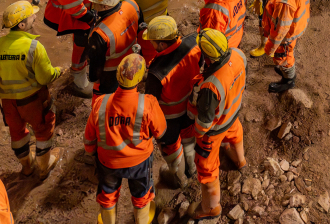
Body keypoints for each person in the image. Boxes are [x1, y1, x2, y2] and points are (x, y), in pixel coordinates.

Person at [0, 0, 62, 178]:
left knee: (17, 134)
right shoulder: (34, 47)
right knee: (43, 131)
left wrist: (5, 86)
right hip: (33, 101)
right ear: (22, 25)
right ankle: (43, 168)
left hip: (8, 104)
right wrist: (58, 72)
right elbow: (45, 77)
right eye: (32, 16)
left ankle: (27, 167)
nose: (35, 17)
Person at [84, 55, 164, 224]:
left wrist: (92, 155)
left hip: (108, 163)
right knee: (142, 195)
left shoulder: (100, 103)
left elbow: (89, 138)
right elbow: (161, 132)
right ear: (141, 77)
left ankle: (108, 221)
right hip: (140, 163)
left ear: (117, 75)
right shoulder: (147, 103)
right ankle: (142, 221)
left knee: (107, 195)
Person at [191, 30, 246, 221]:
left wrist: (196, 134)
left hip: (214, 131)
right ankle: (240, 161)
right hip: (232, 115)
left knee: (206, 170)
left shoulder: (210, 86)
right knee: (236, 135)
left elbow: (204, 123)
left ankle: (211, 207)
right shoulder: (238, 55)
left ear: (207, 56)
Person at [142, 16, 200, 189]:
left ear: (161, 44)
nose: (150, 44)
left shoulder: (156, 71)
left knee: (172, 148)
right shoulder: (193, 43)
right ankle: (193, 168)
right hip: (190, 109)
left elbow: (150, 104)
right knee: (189, 139)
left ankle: (178, 177)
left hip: (169, 119)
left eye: (152, 41)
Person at [259, 0, 309, 93]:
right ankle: (287, 72)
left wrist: (270, 48)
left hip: (287, 35)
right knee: (285, 54)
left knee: (284, 57)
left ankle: (288, 80)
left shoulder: (285, 2)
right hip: (298, 24)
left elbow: (280, 30)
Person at [85, 0, 140, 97]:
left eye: (96, 3)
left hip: (111, 73)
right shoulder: (131, 4)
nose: (93, 5)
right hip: (132, 59)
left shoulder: (100, 34)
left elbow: (97, 63)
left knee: (108, 97)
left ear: (105, 6)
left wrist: (94, 78)